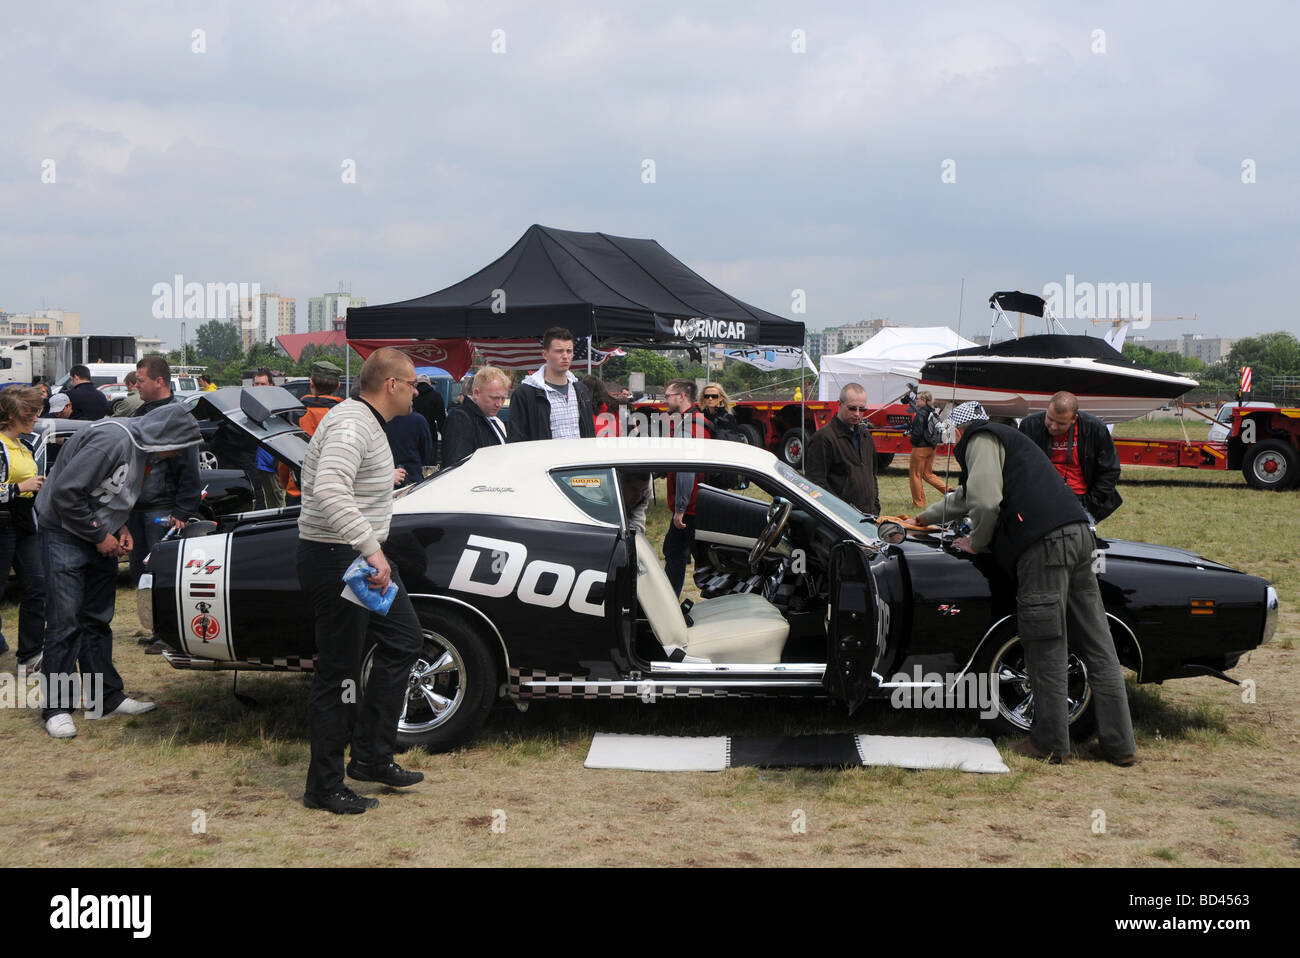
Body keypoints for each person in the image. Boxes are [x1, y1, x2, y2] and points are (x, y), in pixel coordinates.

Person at [915, 401, 1136, 766]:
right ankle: (1120, 745)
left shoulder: (979, 439)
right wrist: (923, 518)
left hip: (1044, 546)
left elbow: (986, 503)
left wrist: (977, 542)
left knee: (1045, 643)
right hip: (1079, 535)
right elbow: (968, 496)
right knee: (1098, 643)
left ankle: (1050, 743)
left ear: (956, 431)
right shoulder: (1006, 440)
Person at [297, 347, 425, 813]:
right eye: (412, 383)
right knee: (338, 673)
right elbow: (329, 487)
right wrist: (371, 547)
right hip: (339, 561)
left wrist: (384, 485)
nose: (417, 391)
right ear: (391, 385)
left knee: (405, 640)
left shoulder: (362, 421)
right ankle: (323, 786)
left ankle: (371, 756)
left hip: (350, 559)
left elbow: (342, 481)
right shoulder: (353, 423)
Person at [36, 403, 202, 738]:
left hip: (94, 532)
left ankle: (105, 699)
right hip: (64, 534)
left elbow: (111, 494)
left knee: (96, 620)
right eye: (179, 446)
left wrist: (120, 526)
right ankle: (56, 708)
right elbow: (67, 492)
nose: (178, 454)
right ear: (165, 437)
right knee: (65, 622)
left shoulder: (144, 450)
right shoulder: (113, 440)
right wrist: (100, 535)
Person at [127, 356, 202, 581]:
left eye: (140, 380)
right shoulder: (139, 414)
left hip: (161, 510)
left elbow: (189, 465)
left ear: (159, 381)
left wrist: (183, 509)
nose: (135, 384)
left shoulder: (177, 415)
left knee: (163, 575)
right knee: (141, 577)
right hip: (135, 509)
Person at [1018, 391, 1123, 524]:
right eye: (1050, 419)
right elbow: (1018, 466)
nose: (1054, 427)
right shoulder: (1029, 426)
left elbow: (1110, 470)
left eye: (1061, 423)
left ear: (1074, 419)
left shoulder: (1095, 428)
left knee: (1076, 543)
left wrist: (1092, 504)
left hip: (1081, 501)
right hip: (1039, 499)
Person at [0, 387, 46, 673]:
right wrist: (19, 488)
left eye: (37, 411)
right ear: (11, 415)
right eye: (30, 412)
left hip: (25, 521)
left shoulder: (24, 445)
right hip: (2, 522)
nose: (36, 418)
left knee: (37, 587)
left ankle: (29, 657)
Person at [661, 379, 709, 596]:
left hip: (690, 507)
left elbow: (687, 470)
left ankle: (671, 601)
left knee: (688, 557)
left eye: (667, 396)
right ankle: (670, 601)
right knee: (674, 551)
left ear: (681, 396)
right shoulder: (695, 420)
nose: (664, 401)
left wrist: (680, 508)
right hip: (695, 504)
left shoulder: (688, 425)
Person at [506, 327, 596, 442]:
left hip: (579, 458)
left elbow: (590, 433)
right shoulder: (525, 393)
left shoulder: (581, 390)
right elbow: (516, 439)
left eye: (569, 351)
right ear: (545, 354)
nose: (565, 356)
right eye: (559, 351)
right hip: (545, 459)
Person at [804, 383, 881, 515]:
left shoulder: (865, 436)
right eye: (852, 408)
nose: (857, 414)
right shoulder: (823, 438)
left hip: (868, 516)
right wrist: (842, 512)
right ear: (839, 404)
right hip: (840, 520)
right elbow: (816, 484)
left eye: (862, 409)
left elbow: (871, 475)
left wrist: (875, 506)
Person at [280, 360, 344, 503]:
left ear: (311, 383)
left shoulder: (294, 414)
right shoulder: (344, 414)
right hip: (333, 492)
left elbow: (284, 456)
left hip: (298, 490)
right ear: (338, 386)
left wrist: (288, 485)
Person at [440, 366, 509, 466]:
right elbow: (456, 465)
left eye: (503, 399)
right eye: (494, 398)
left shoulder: (491, 419)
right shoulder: (460, 419)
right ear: (476, 393)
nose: (499, 404)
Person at [907, 390, 952, 509]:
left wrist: (912, 440)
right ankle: (949, 490)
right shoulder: (932, 412)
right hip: (931, 448)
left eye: (918, 399)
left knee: (915, 475)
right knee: (928, 474)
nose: (916, 400)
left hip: (920, 448)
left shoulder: (920, 414)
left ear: (924, 400)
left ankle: (919, 503)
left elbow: (917, 433)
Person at [250, 369, 286, 508]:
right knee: (265, 505)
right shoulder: (250, 404)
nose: (259, 387)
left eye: (262, 384)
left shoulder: (279, 404)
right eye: (256, 384)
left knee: (279, 504)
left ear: (271, 385)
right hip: (258, 463)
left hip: (274, 464)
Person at [384, 411, 434, 486]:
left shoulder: (378, 419)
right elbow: (427, 454)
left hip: (385, 477)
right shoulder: (419, 420)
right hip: (413, 478)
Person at [411, 374, 447, 459]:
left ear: (416, 384)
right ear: (429, 383)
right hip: (430, 436)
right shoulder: (436, 396)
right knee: (429, 466)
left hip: (413, 437)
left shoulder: (412, 396)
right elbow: (441, 420)